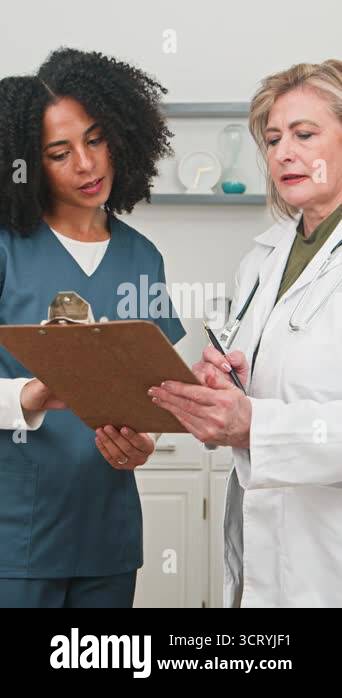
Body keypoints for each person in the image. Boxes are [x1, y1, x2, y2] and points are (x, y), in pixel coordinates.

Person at [148, 59, 342, 607]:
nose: (283, 152)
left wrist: (256, 423)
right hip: (264, 543)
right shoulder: (263, 258)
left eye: (305, 134)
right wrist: (224, 388)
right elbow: (260, 371)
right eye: (273, 138)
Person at [0, 47, 185, 608]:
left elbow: (155, 391)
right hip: (16, 538)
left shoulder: (143, 258)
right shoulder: (9, 251)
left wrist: (144, 442)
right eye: (59, 153)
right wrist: (34, 393)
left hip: (108, 536)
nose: (86, 164)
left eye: (96, 139)